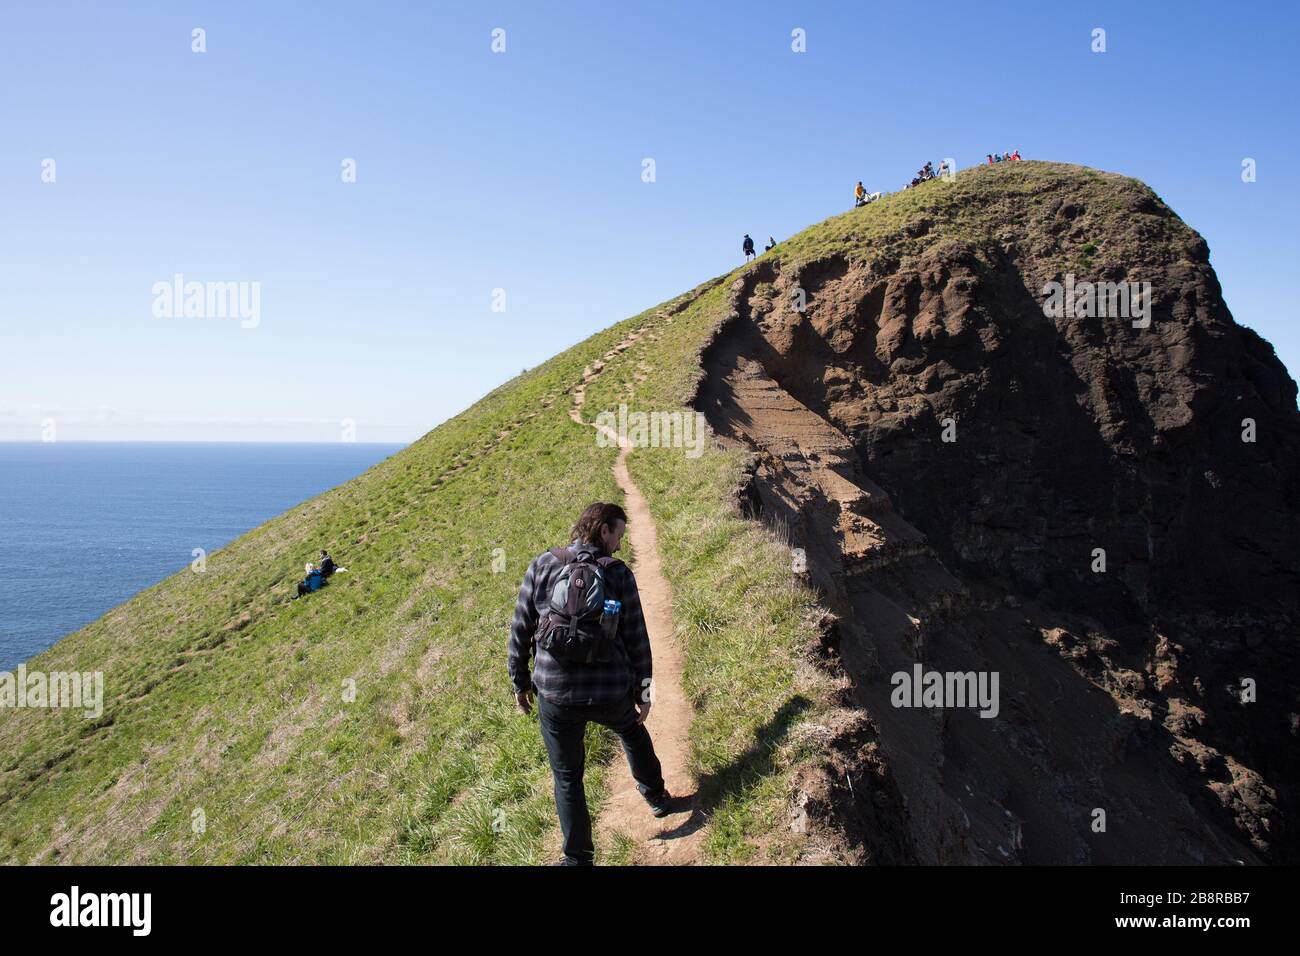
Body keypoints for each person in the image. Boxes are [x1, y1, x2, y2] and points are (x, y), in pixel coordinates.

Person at [508, 502, 672, 866]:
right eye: (618, 536)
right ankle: (657, 798)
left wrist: (520, 682)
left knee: (567, 778)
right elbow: (636, 637)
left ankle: (577, 859)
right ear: (602, 531)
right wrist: (643, 692)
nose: (619, 545)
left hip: (555, 692)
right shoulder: (618, 573)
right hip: (609, 688)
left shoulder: (543, 564)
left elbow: (520, 628)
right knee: (631, 731)